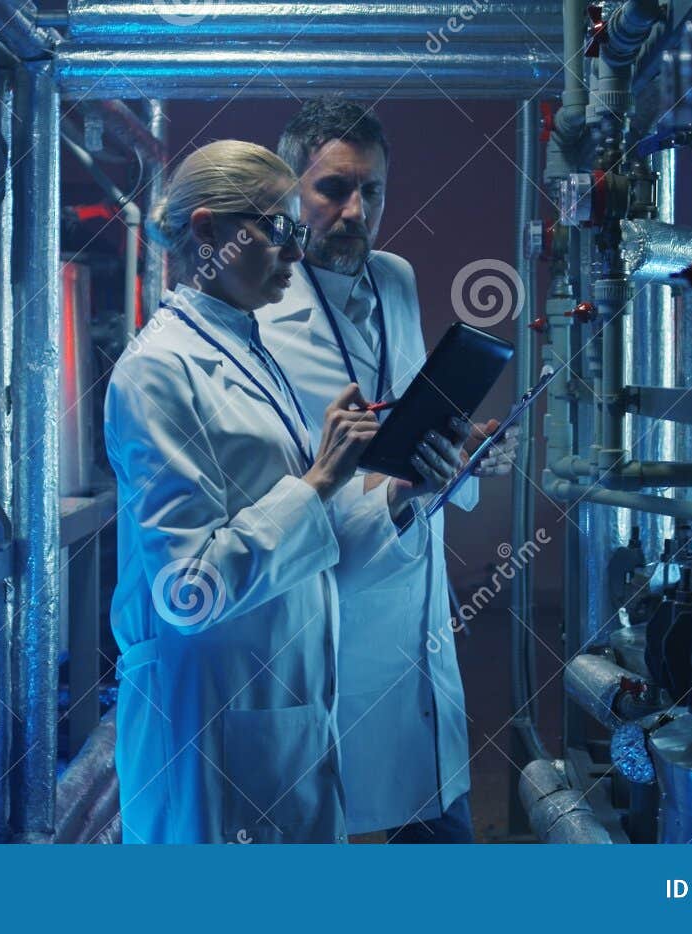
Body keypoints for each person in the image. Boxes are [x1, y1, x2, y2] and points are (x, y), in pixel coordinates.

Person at [104, 140, 463, 844]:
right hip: (211, 731)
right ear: (206, 230)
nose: (296, 255)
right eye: (277, 229)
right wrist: (320, 478)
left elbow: (310, 540)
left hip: (280, 714)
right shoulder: (156, 372)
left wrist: (395, 492)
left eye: (297, 230)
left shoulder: (245, 348)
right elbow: (187, 590)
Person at [256, 97, 517, 843]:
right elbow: (287, 505)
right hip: (337, 623)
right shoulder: (265, 323)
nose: (355, 210)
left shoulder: (394, 279)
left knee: (442, 824)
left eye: (371, 190)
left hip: (422, 609)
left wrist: (460, 453)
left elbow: (407, 424)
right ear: (290, 193)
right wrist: (400, 492)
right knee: (363, 830)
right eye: (332, 189)